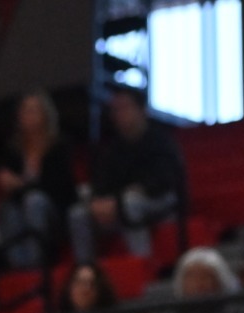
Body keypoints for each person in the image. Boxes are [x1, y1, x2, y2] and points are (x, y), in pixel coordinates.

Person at [70, 86, 186, 262]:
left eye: (125, 107)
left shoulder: (161, 140)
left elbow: (162, 180)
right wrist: (98, 202)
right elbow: (101, 183)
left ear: (141, 110)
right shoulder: (110, 150)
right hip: (119, 205)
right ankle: (86, 271)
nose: (120, 114)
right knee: (78, 214)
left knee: (131, 203)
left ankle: (142, 263)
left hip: (160, 201)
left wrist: (120, 199)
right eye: (115, 109)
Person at [0, 91, 75, 269]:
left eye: (33, 110)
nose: (28, 116)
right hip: (21, 209)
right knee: (8, 209)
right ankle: (18, 267)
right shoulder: (13, 150)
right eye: (25, 111)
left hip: (55, 213)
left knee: (34, 201)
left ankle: (37, 264)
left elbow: (59, 188)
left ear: (45, 114)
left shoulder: (59, 147)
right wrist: (7, 183)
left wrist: (21, 185)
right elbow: (12, 190)